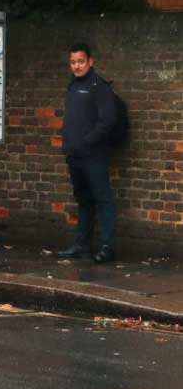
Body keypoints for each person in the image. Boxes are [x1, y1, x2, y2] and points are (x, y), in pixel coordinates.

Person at [57, 42, 119, 264]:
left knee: (103, 200)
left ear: (90, 61)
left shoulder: (99, 86)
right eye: (73, 62)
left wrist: (86, 143)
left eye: (80, 61)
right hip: (75, 156)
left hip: (94, 156)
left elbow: (108, 121)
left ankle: (107, 247)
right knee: (84, 201)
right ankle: (82, 245)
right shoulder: (73, 86)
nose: (76, 66)